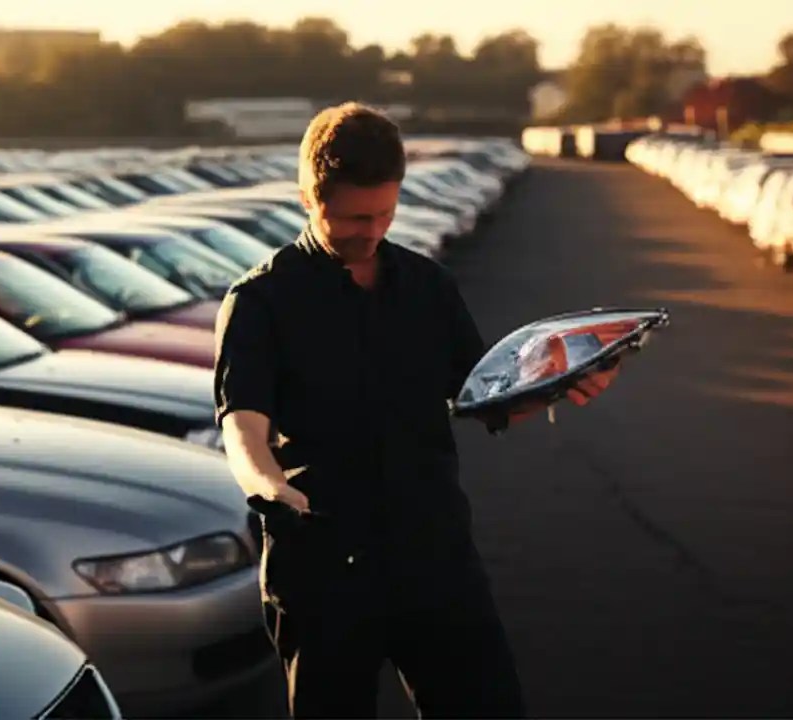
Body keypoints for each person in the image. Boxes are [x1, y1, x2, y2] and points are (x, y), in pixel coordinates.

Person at [212, 102, 618, 719]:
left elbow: (485, 400)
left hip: (435, 553)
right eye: (352, 217)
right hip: (324, 563)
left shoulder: (428, 285)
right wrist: (269, 488)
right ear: (306, 197)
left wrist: (562, 385)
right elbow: (243, 429)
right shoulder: (260, 301)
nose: (372, 231)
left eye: (385, 213)